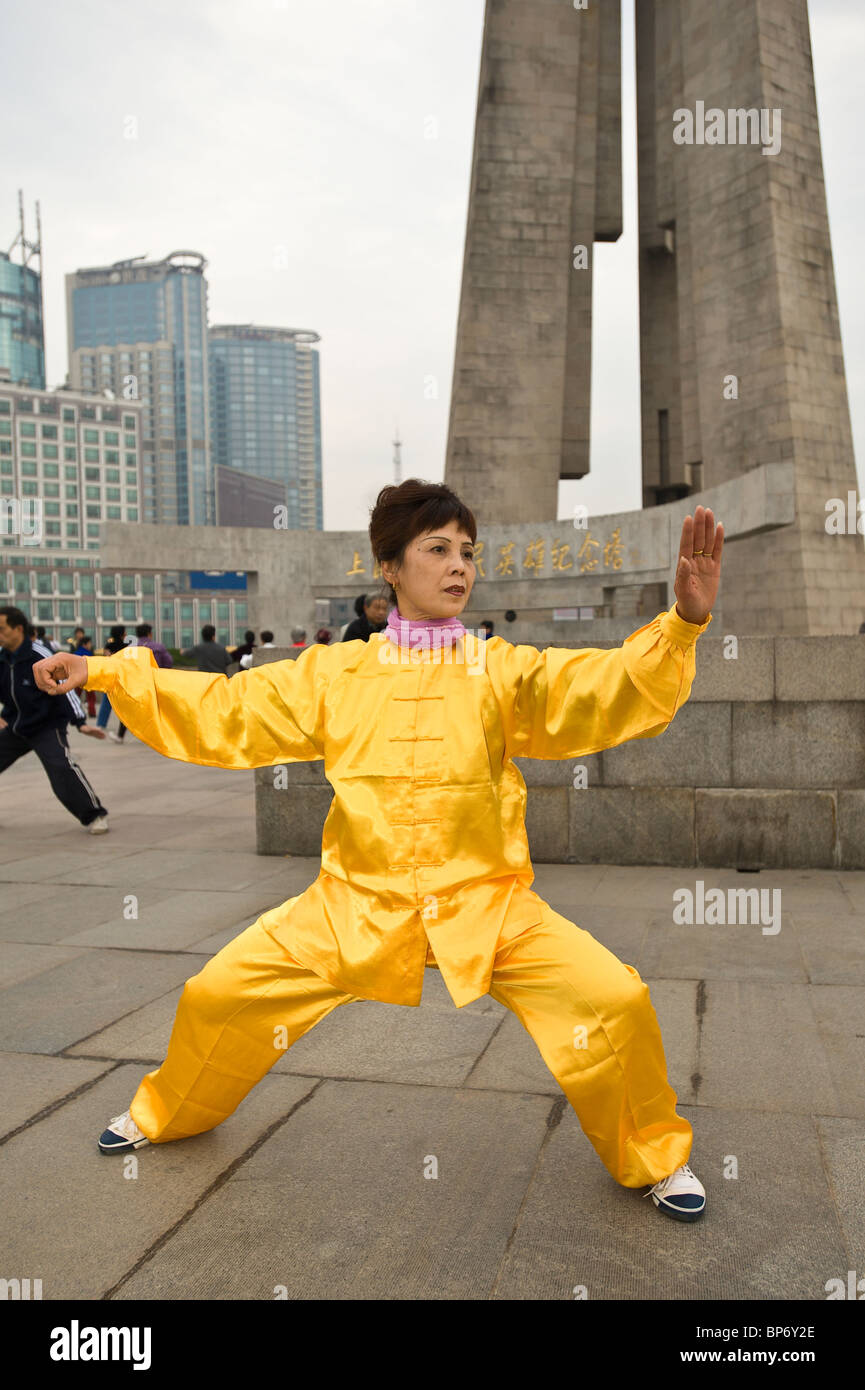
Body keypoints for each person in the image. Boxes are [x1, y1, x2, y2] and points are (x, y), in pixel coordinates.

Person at [33, 479, 724, 1224]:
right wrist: (103, 670)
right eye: (437, 550)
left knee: (611, 999)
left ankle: (654, 1154)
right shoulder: (334, 673)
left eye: (466, 551)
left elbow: (604, 684)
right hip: (350, 905)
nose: (458, 566)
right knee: (218, 995)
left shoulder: (502, 670)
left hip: (486, 904)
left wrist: (682, 622)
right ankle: (168, 1112)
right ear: (389, 567)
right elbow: (224, 708)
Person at [0, 605, 109, 833]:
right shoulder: (2, 659)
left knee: (61, 768)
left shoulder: (39, 655)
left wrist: (80, 722)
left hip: (46, 726)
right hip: (15, 726)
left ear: (18, 628)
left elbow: (66, 688)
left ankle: (94, 815)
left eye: (2, 629)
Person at [96, 626, 130, 743]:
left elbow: (106, 660)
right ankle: (125, 727)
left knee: (107, 701)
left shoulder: (109, 646)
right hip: (123, 677)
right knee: (125, 704)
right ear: (122, 633)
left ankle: (101, 723)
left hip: (111, 675)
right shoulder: (127, 646)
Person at [74, 636, 97, 719]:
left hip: (77, 678)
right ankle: (92, 712)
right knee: (91, 697)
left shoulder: (76, 653)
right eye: (89, 643)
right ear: (85, 644)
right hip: (88, 677)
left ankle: (74, 711)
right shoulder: (88, 653)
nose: (90, 645)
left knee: (76, 696)